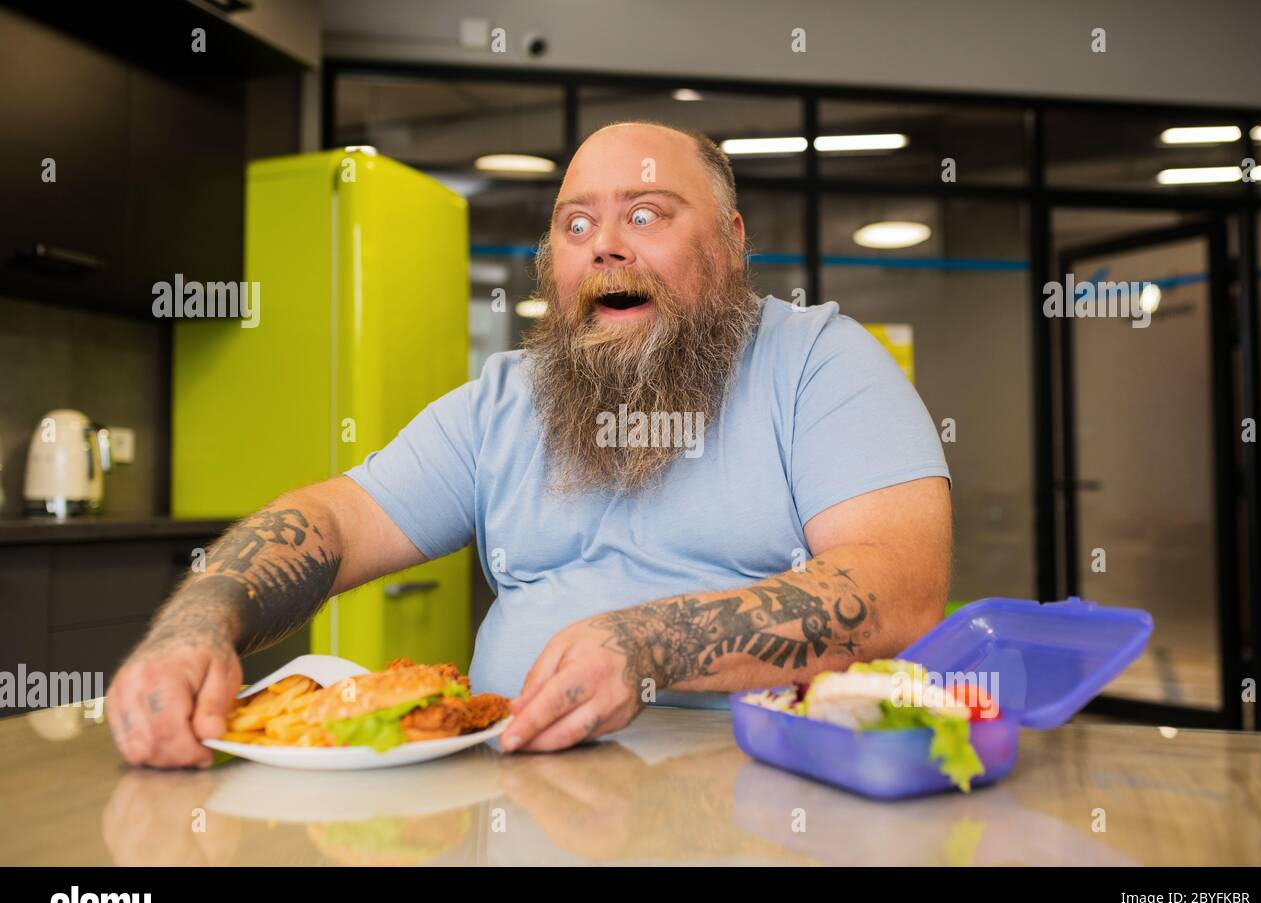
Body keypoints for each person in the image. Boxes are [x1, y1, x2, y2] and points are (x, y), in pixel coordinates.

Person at [106, 120, 952, 767]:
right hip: (507, 790)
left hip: (754, 800)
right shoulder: (507, 399)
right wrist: (196, 622)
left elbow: (899, 583)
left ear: (732, 243)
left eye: (646, 215)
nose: (606, 246)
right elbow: (334, 521)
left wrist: (651, 645)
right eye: (575, 226)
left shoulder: (818, 362)